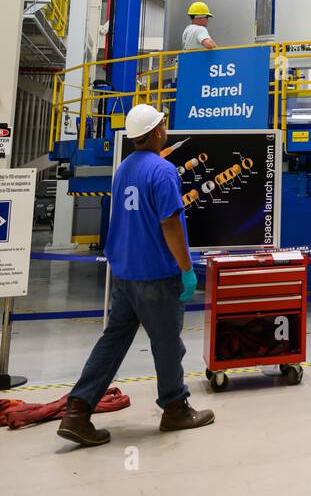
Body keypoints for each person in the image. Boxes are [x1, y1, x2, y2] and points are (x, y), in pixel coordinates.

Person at [57, 104, 214, 447]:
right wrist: (187, 269)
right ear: (156, 132)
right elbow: (170, 223)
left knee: (113, 340)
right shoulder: (163, 171)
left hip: (124, 273)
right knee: (168, 343)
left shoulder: (124, 168)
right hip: (156, 274)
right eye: (163, 124)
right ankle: (175, 408)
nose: (166, 128)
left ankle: (77, 411)